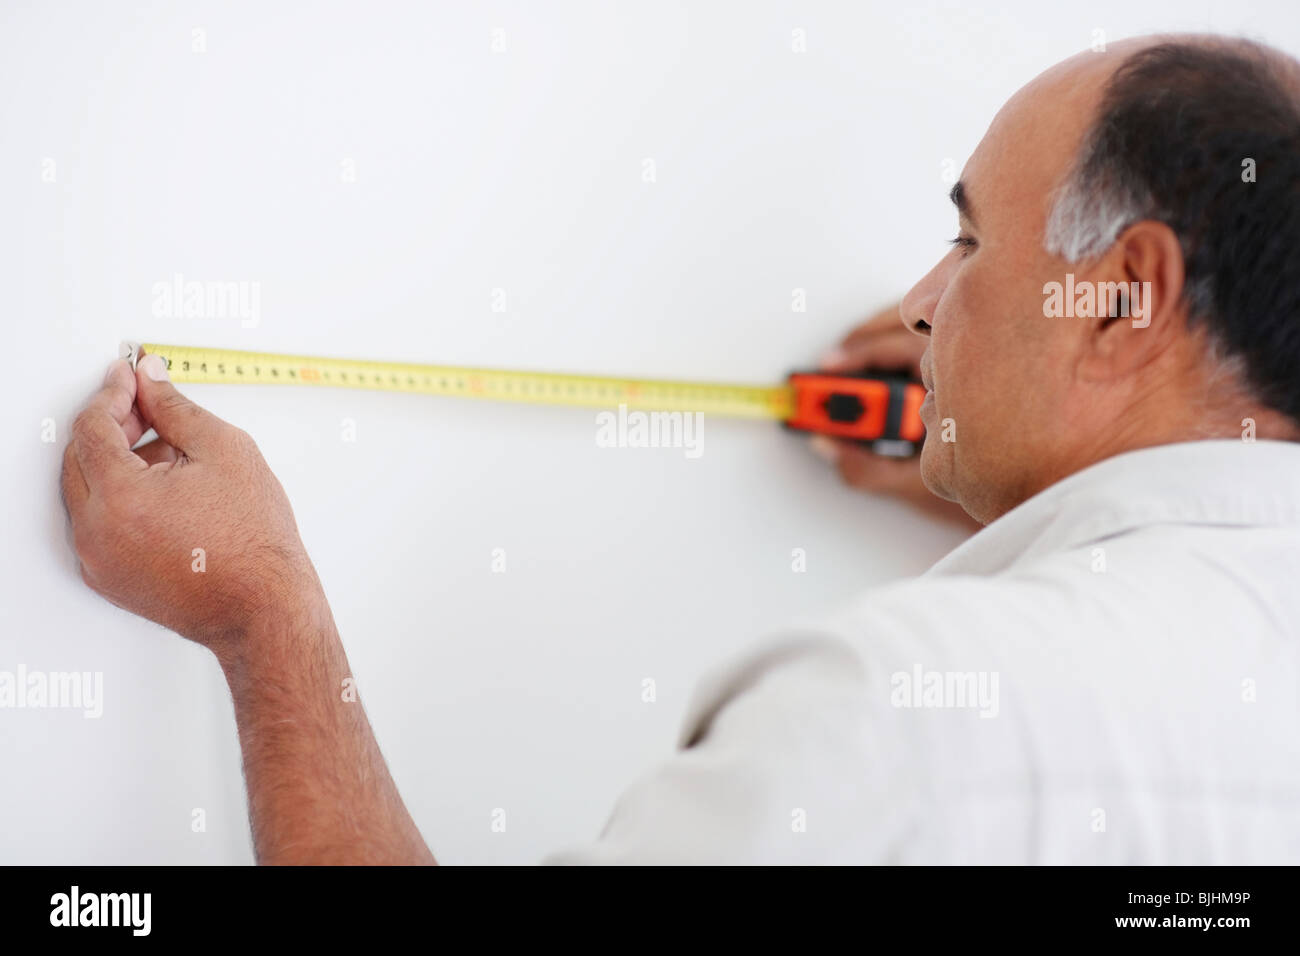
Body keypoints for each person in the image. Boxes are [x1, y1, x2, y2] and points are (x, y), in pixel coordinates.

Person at [61, 33, 1300, 864]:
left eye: (972, 245)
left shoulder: (889, 718)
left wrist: (262, 615)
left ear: (1126, 299)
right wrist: (1042, 461)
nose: (923, 299)